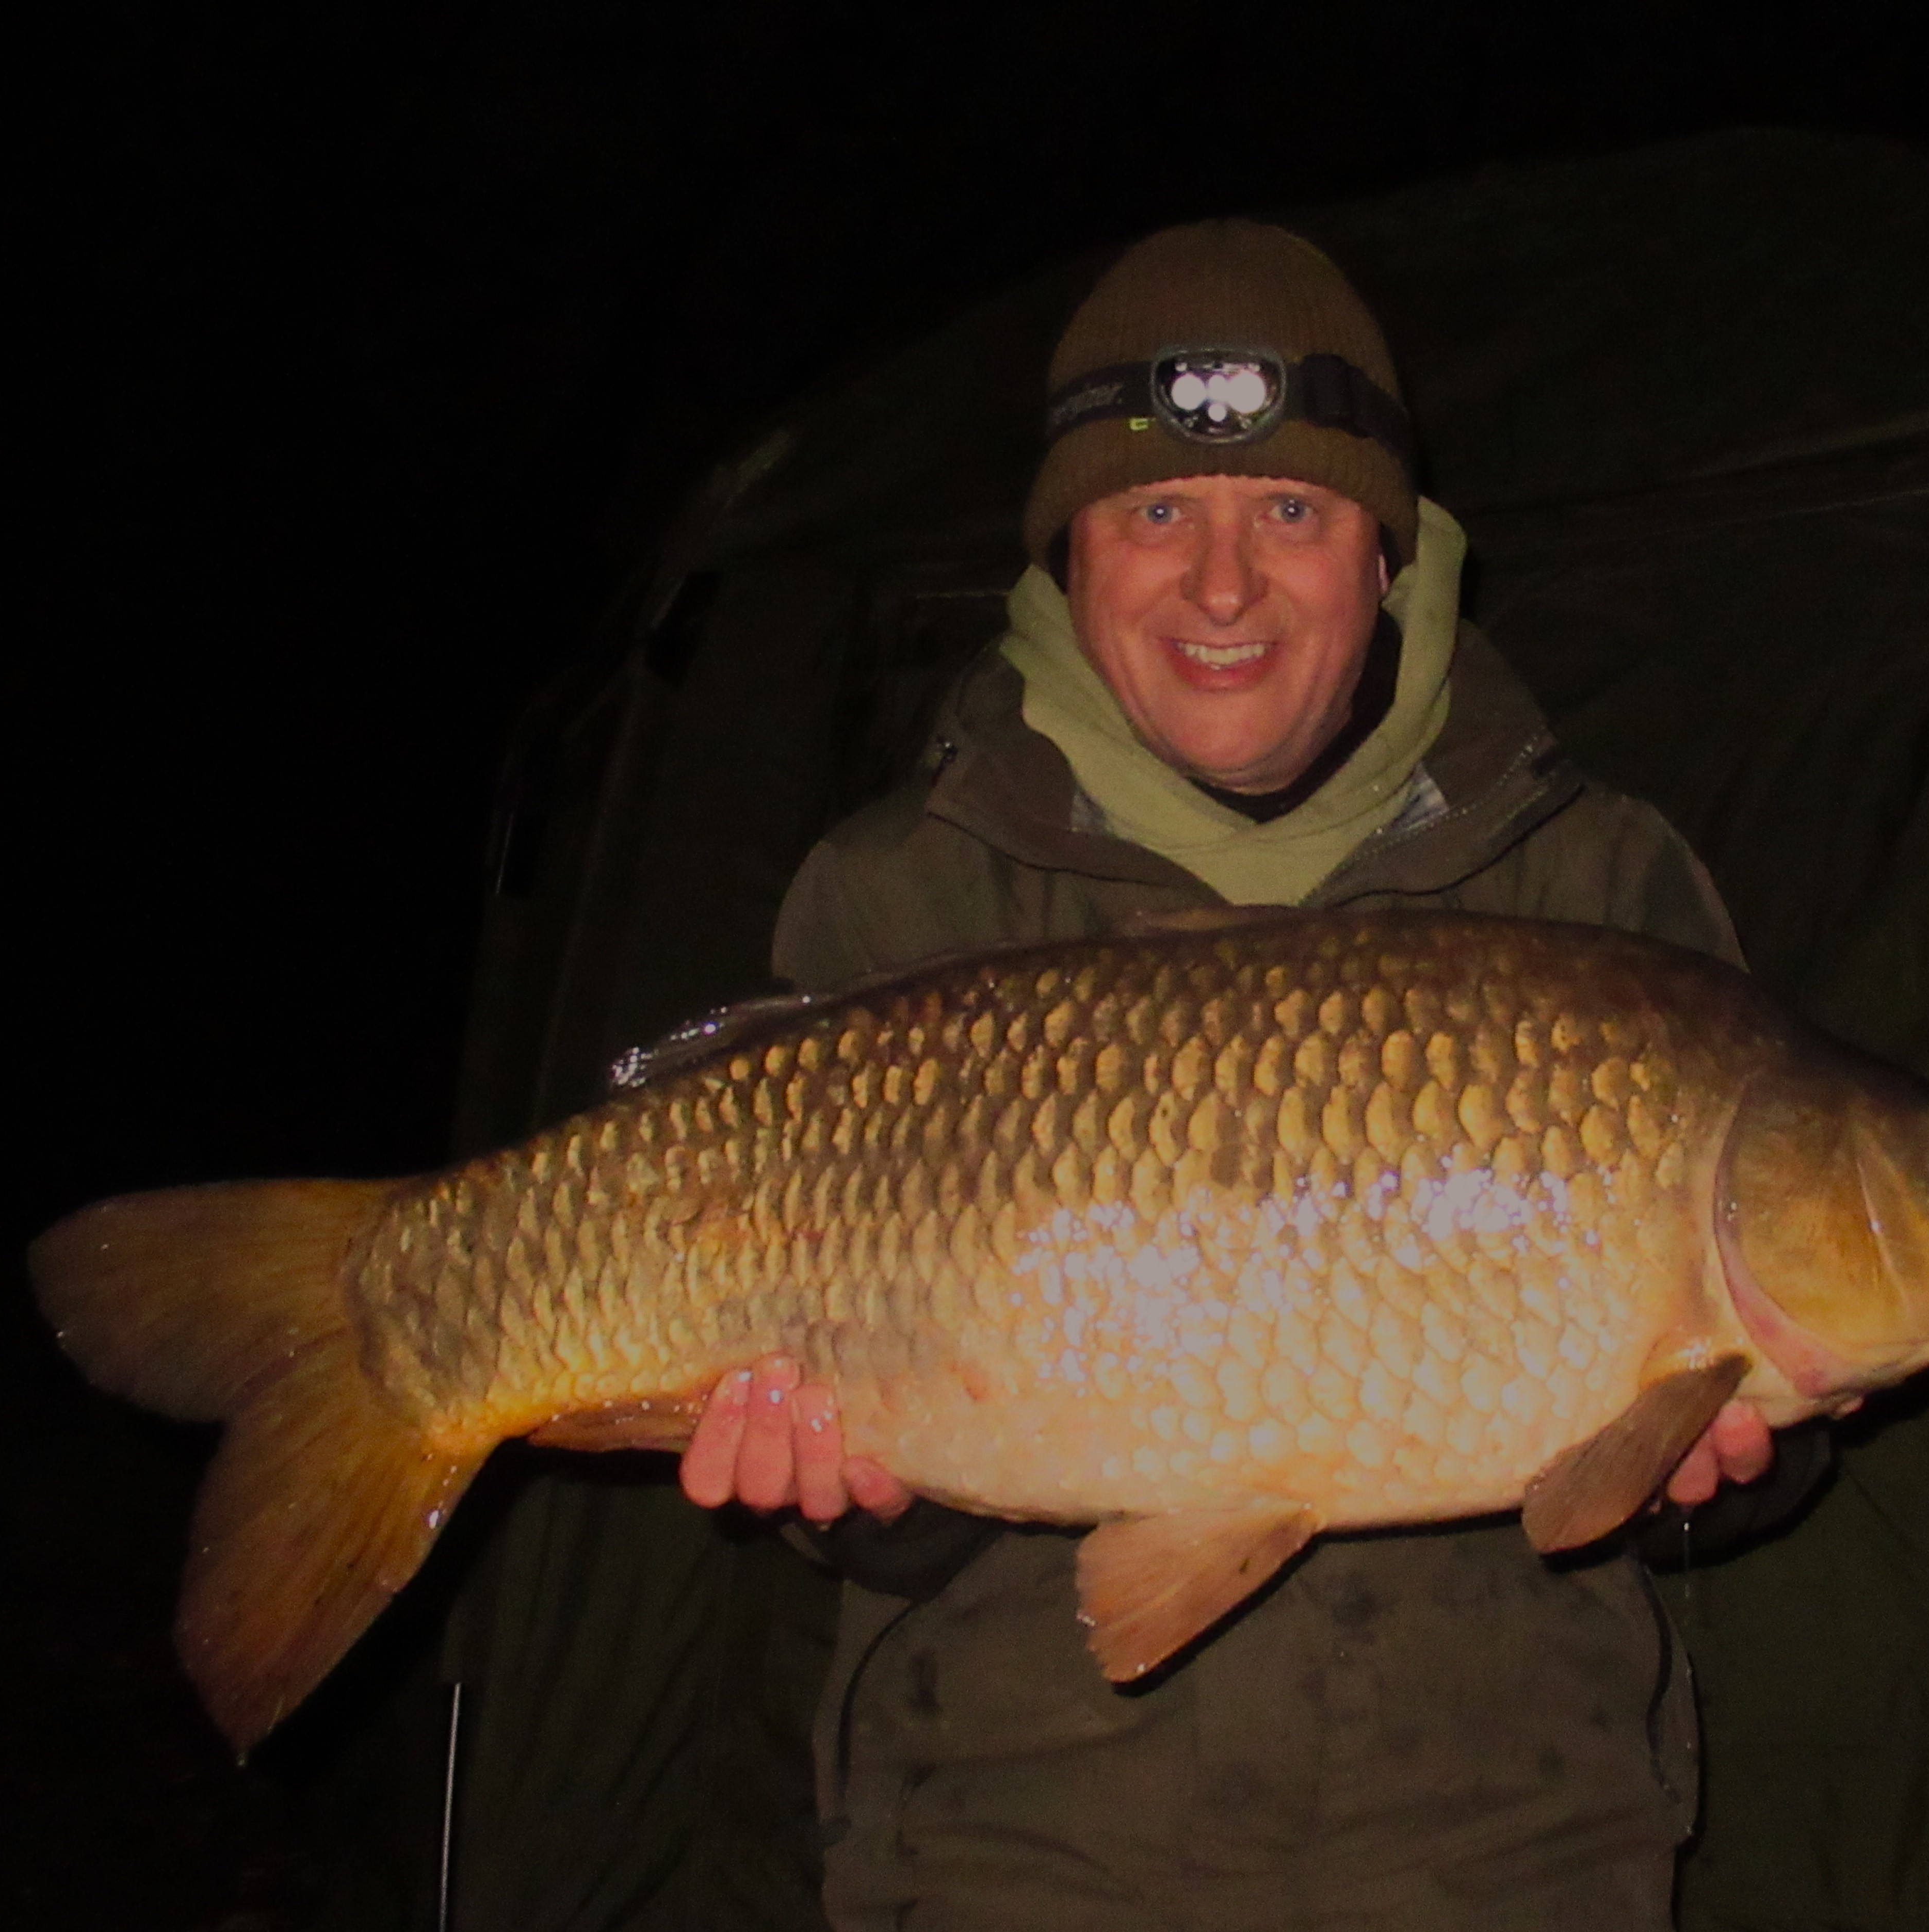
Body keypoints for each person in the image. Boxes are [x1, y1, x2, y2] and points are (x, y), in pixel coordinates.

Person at [678, 219, 1819, 1930]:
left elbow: (1719, 1495)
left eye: (1289, 511)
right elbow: (865, 1530)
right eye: (1157, 514)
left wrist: (1720, 1471)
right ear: (1070, 557)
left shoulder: (1595, 883)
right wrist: (860, 1500)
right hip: (1019, 1840)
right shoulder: (904, 890)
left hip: (1512, 1835)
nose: (1223, 586)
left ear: (1388, 552)